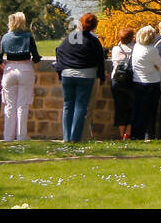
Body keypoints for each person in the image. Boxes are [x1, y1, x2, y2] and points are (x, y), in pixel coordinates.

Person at [55, 13, 107, 143]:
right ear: (94, 26)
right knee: (81, 107)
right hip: (86, 75)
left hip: (67, 74)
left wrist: (60, 70)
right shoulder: (93, 40)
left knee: (68, 106)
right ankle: (75, 138)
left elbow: (59, 51)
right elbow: (100, 60)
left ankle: (66, 137)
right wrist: (101, 77)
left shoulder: (71, 37)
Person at [0, 12, 42, 141]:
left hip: (10, 69)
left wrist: (4, 66)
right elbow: (36, 57)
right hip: (25, 69)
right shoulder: (28, 37)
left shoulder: (5, 37)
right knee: (22, 105)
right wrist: (35, 69)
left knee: (9, 105)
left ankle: (8, 136)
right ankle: (21, 135)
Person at [130, 26, 161, 140]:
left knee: (137, 109)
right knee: (149, 111)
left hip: (137, 81)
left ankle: (135, 134)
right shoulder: (152, 50)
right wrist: (154, 67)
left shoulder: (136, 47)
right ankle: (146, 134)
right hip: (151, 82)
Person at [110, 28, 136, 141]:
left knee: (120, 107)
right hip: (130, 80)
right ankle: (128, 134)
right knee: (131, 107)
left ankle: (121, 134)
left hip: (117, 80)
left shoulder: (116, 49)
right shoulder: (135, 49)